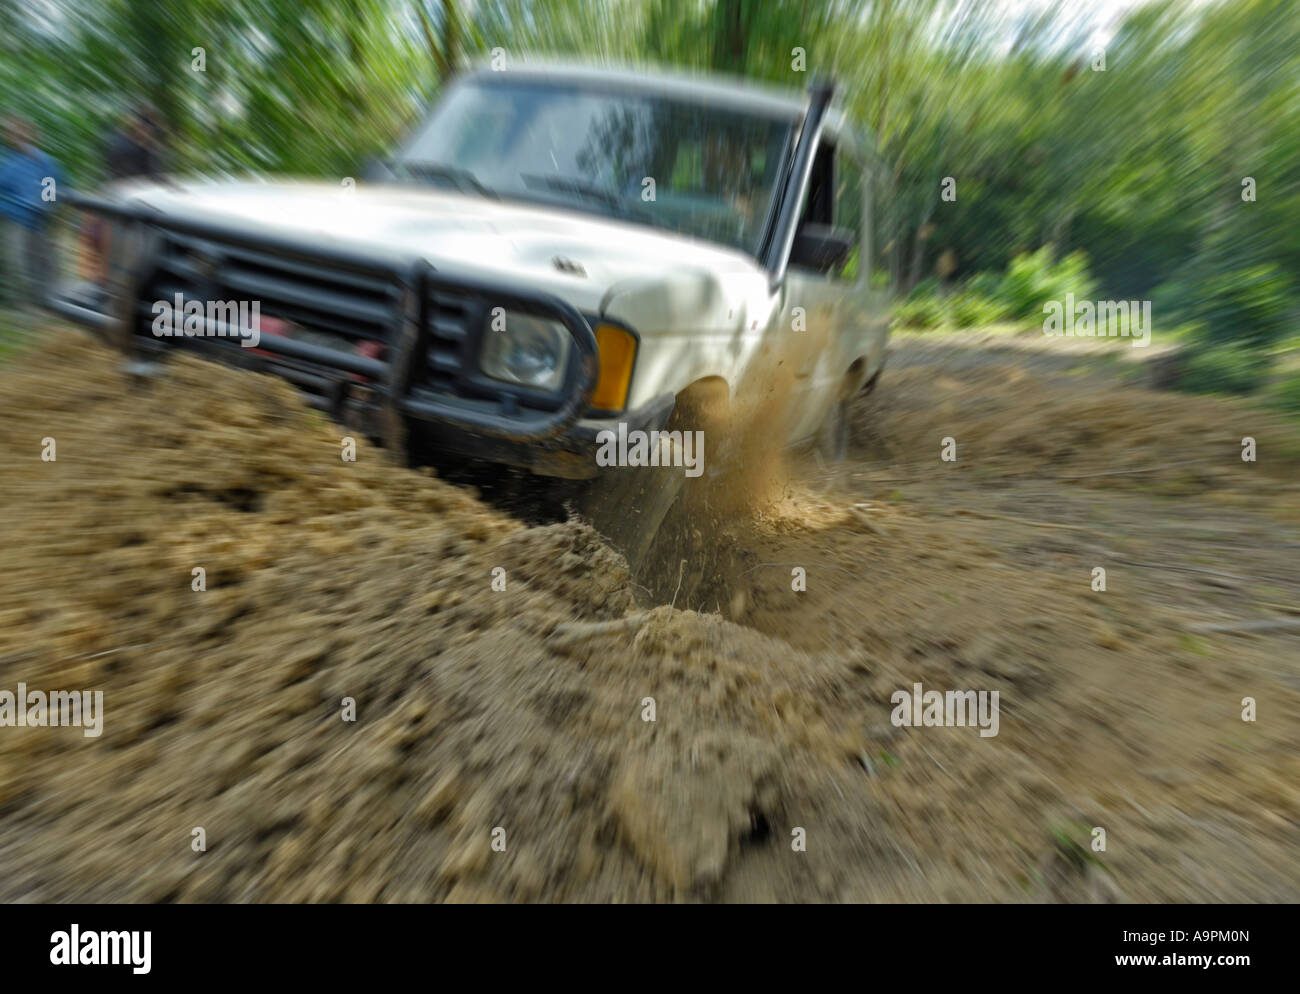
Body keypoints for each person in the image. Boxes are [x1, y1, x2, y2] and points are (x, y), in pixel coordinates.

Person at [0, 116, 63, 310]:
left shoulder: (45, 162)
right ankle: (24, 304)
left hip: (39, 220)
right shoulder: (9, 163)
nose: (16, 136)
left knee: (45, 261)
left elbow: (53, 192)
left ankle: (50, 302)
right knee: (17, 262)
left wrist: (49, 212)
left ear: (30, 134)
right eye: (11, 133)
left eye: (20, 132)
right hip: (14, 220)